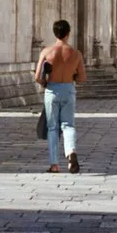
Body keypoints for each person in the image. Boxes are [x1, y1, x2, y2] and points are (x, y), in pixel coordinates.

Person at [35, 19, 86, 174]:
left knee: (52, 128)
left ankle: (54, 164)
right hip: (68, 89)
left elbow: (37, 76)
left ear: (55, 33)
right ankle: (71, 152)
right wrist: (72, 77)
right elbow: (82, 77)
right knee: (68, 125)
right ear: (68, 33)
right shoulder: (76, 54)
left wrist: (45, 81)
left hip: (52, 90)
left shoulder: (46, 52)